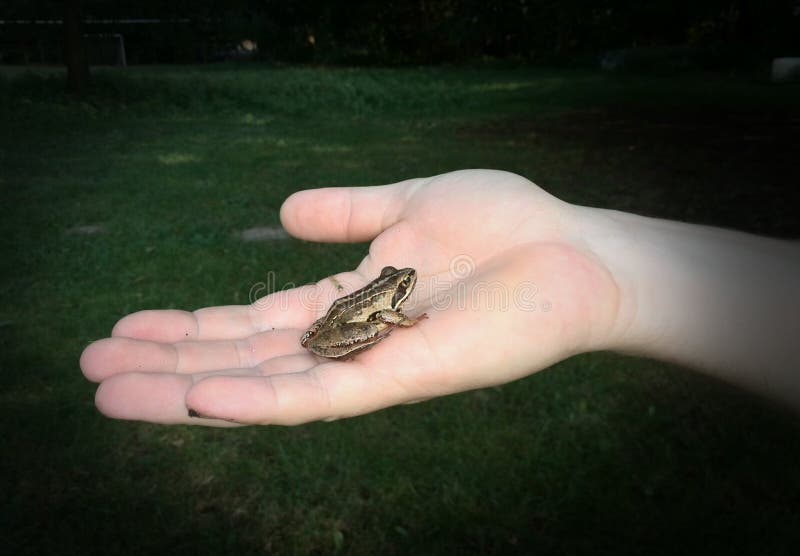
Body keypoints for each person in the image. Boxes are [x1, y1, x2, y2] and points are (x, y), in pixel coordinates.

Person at [79, 169, 800, 425]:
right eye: (400, 283)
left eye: (400, 283)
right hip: (336, 327)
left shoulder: (388, 288)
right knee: (361, 331)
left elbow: (385, 298)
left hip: (332, 320)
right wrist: (395, 313)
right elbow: (389, 308)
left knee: (350, 329)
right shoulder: (389, 299)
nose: (403, 286)